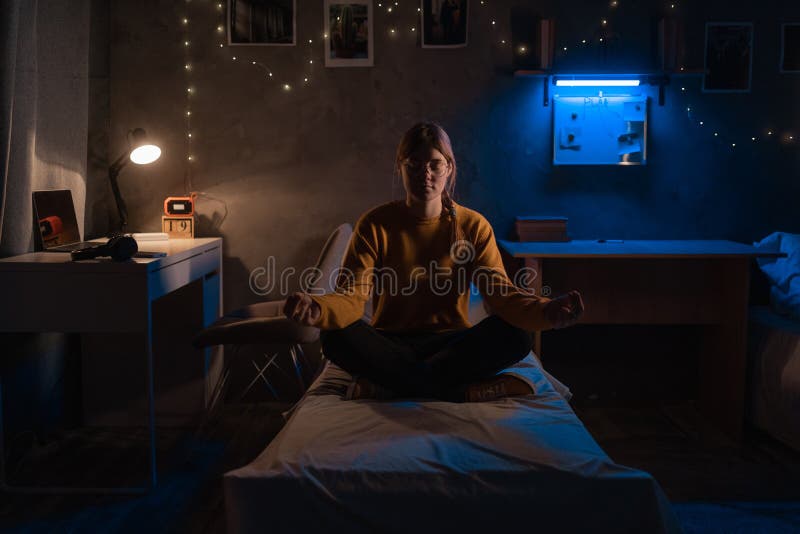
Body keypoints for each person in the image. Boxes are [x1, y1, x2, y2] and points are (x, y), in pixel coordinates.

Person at [284, 122, 584, 401]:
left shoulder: (473, 225)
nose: (424, 174)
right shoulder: (375, 224)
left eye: (434, 164)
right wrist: (318, 307)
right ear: (400, 168)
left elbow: (503, 296)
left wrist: (547, 310)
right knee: (335, 336)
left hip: (451, 345)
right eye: (413, 164)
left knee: (517, 334)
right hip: (391, 344)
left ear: (449, 168)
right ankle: (460, 391)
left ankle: (390, 388)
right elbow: (350, 298)